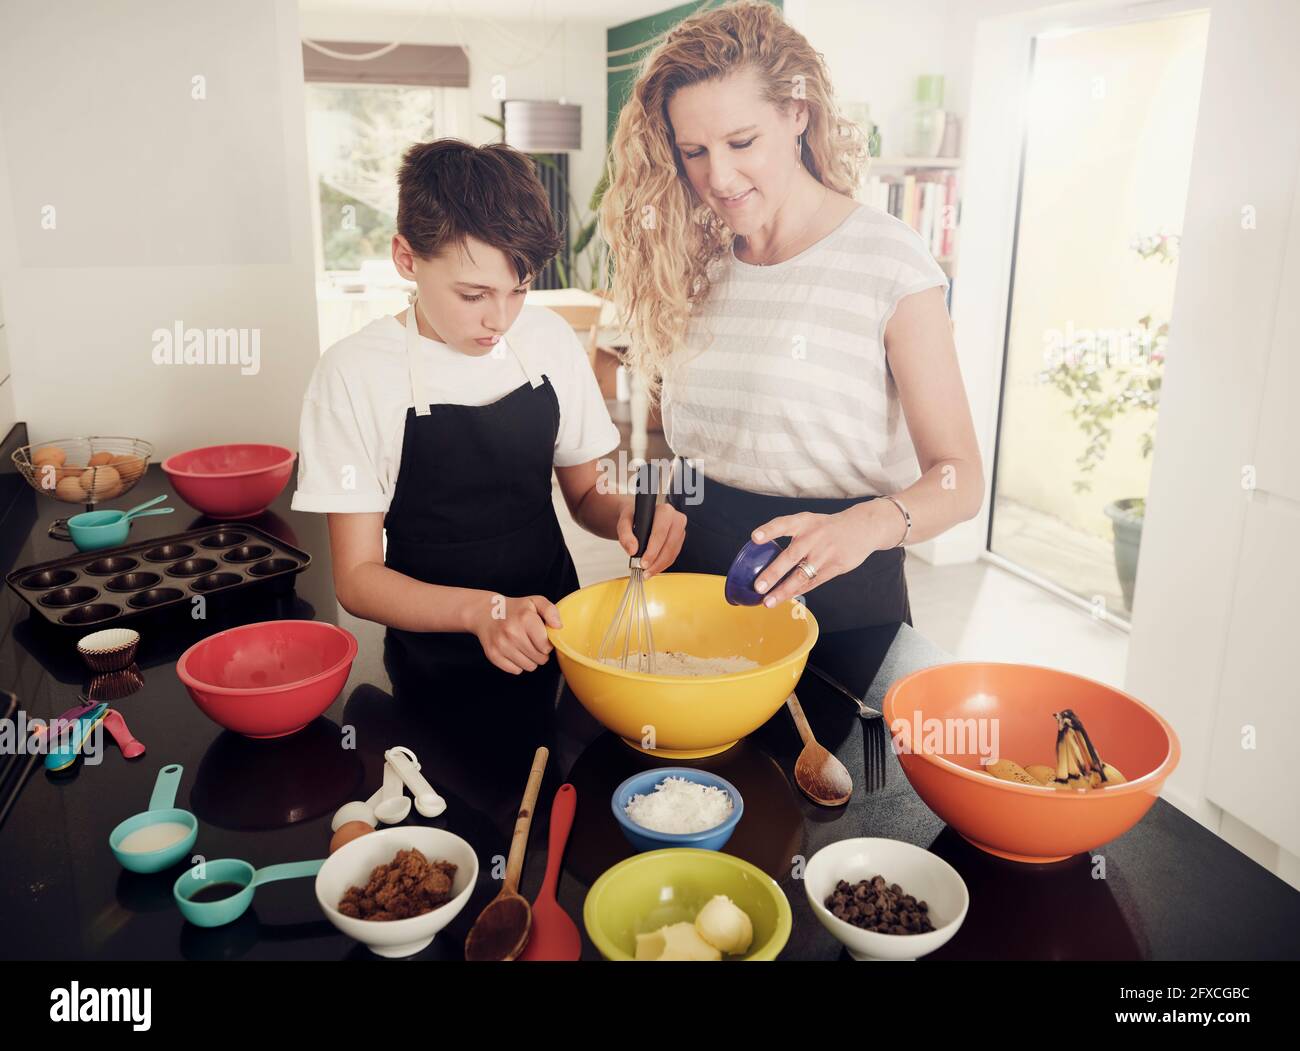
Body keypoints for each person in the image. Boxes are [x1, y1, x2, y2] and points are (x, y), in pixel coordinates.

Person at [601, 1, 983, 632]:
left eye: (741, 142)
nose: (717, 177)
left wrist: (870, 523)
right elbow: (714, 446)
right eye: (693, 150)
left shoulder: (888, 260)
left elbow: (960, 478)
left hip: (837, 595)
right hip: (696, 586)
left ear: (798, 113)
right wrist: (657, 502)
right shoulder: (697, 262)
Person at [292, 139, 685, 685]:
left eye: (519, 290)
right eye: (474, 295)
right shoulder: (353, 374)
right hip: (434, 658)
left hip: (557, 632)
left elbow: (586, 495)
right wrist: (483, 612)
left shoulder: (546, 339)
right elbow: (358, 578)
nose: (499, 319)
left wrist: (624, 513)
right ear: (407, 258)